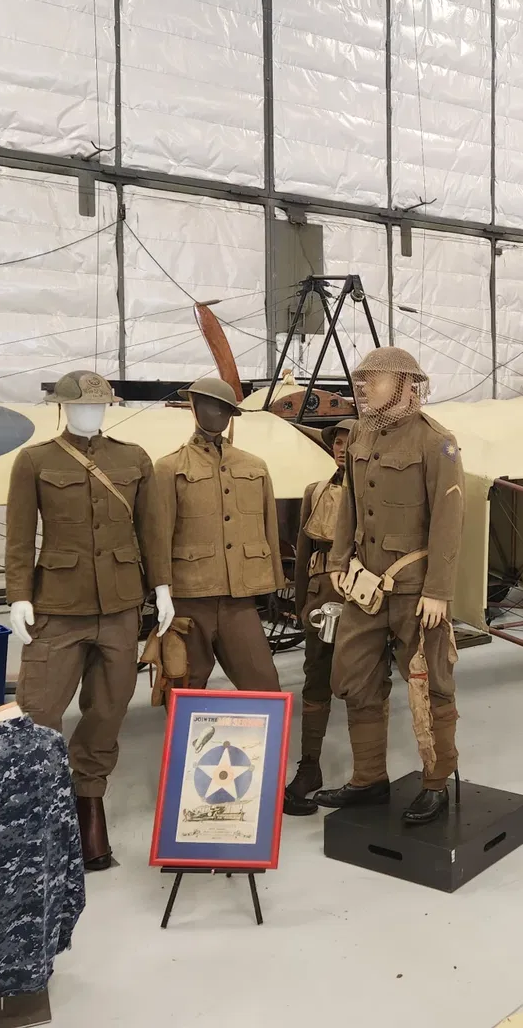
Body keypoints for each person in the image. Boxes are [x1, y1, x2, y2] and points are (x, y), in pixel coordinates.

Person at [4, 370, 152, 872]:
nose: (91, 414)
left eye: (99, 405)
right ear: (63, 408)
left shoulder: (133, 459)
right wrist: (19, 596)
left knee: (109, 710)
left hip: (120, 604)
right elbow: (20, 537)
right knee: (39, 711)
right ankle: (37, 811)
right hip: (59, 605)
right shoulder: (35, 461)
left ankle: (89, 799)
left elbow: (150, 531)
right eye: (82, 406)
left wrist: (164, 589)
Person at [312, 348, 464, 826]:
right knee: (354, 679)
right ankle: (368, 780)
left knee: (428, 685)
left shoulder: (436, 442)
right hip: (363, 586)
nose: (361, 387)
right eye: (359, 379)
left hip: (417, 590)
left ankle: (436, 783)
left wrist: (439, 590)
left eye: (372, 380)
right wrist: (339, 560)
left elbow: (448, 520)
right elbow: (350, 504)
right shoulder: (360, 433)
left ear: (403, 384)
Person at [141, 377, 283, 694]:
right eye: (204, 404)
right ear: (192, 407)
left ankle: (263, 744)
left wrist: (273, 582)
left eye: (221, 407)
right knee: (183, 685)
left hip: (240, 599)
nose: (213, 413)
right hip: (189, 595)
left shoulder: (254, 466)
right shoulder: (169, 467)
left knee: (264, 686)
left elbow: (268, 527)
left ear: (231, 413)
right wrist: (159, 589)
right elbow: (158, 534)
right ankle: (185, 745)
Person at [284, 419, 354, 816]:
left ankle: (367, 774)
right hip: (319, 594)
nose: (341, 447)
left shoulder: (373, 493)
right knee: (316, 677)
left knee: (367, 678)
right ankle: (309, 766)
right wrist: (299, 602)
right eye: (337, 442)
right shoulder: (316, 492)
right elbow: (303, 545)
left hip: (363, 596)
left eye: (348, 441)